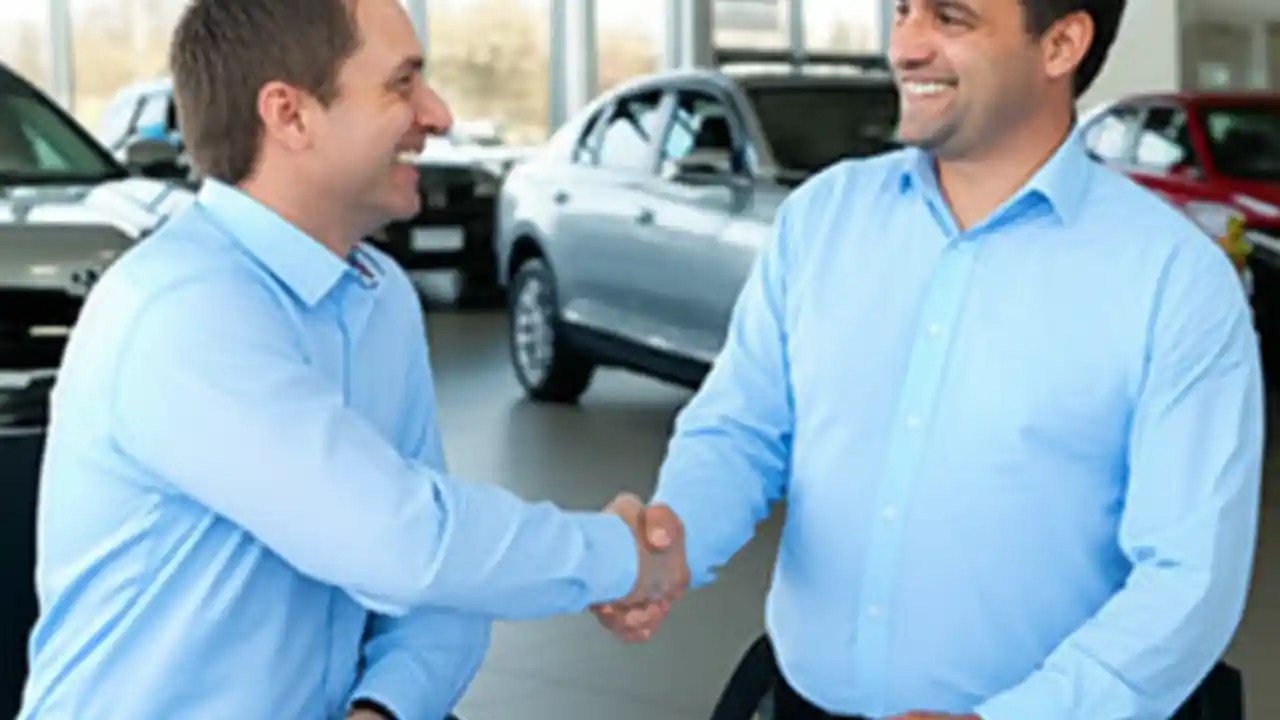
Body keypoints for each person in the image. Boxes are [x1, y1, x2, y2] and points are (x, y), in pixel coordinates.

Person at [595, 0, 1265, 718]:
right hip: (798, 700)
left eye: (950, 18)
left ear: (1061, 44)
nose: (906, 48)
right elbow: (741, 429)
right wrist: (674, 538)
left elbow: (1187, 579)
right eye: (903, 11)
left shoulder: (1173, 280)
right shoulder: (823, 218)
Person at [18, 0, 687, 718]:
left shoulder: (379, 297)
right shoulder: (181, 307)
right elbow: (403, 541)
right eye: (402, 84)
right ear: (290, 115)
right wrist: (620, 558)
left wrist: (386, 706)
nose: (438, 115)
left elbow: (438, 582)